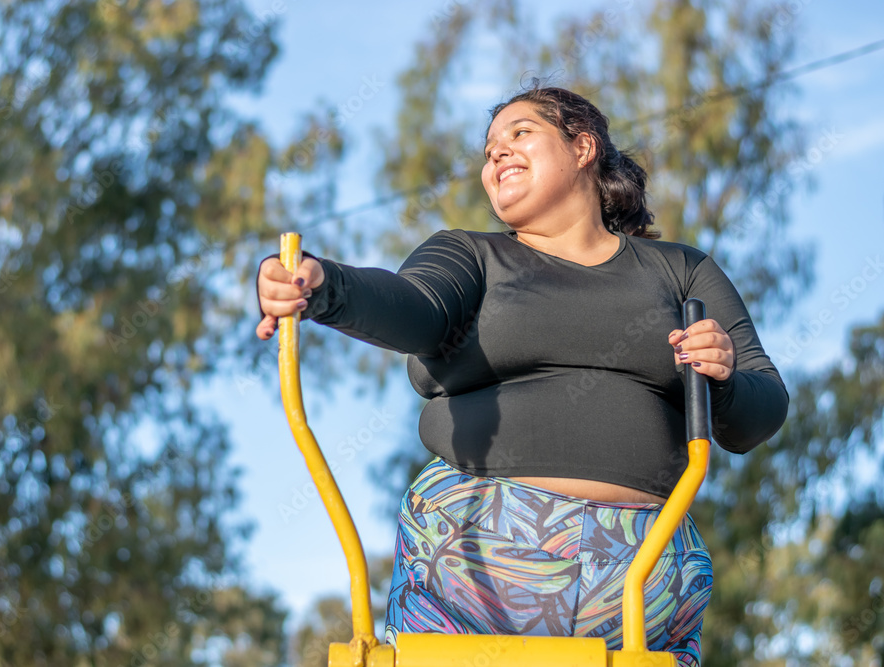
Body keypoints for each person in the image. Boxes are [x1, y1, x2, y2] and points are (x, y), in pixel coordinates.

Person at [255, 85, 788, 667]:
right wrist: (322, 284)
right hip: (478, 565)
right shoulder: (472, 256)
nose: (497, 155)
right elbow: (414, 306)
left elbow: (761, 413)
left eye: (519, 134)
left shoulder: (681, 271)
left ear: (583, 147)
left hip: (643, 571)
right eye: (488, 150)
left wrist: (724, 377)